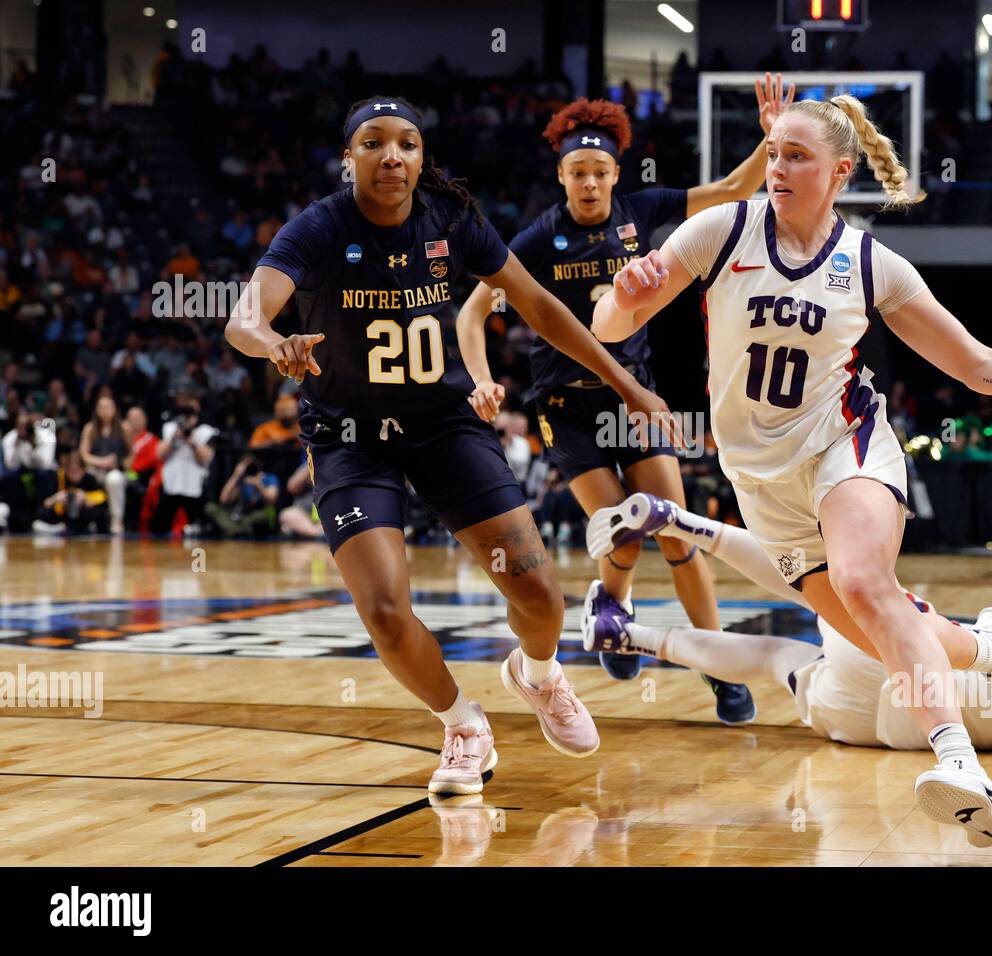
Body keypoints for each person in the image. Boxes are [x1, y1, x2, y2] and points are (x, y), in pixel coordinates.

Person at [590, 93, 992, 845]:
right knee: (886, 632)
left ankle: (961, 764)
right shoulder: (721, 229)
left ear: (840, 171)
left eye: (796, 156)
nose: (777, 167)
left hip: (847, 444)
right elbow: (610, 328)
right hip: (759, 478)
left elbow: (976, 366)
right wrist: (622, 300)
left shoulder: (873, 264)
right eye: (773, 152)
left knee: (864, 582)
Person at [226, 95, 677, 796]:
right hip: (350, 439)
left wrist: (627, 384)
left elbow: (539, 307)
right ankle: (462, 724)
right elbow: (244, 317)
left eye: (407, 142)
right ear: (350, 160)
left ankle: (539, 675)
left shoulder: (452, 219)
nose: (393, 155)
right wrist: (273, 343)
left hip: (443, 425)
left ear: (421, 158)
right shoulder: (316, 228)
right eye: (373, 142)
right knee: (381, 610)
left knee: (538, 593)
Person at [456, 78, 798, 723]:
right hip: (566, 405)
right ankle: (613, 607)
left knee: (674, 531)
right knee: (625, 531)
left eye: (600, 172)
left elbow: (730, 191)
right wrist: (479, 377)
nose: (588, 183)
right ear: (562, 177)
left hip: (635, 400)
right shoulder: (535, 239)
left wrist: (769, 139)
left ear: (616, 175)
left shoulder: (641, 212)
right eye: (576, 172)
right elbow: (472, 314)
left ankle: (717, 666)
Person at [583, 496, 992, 756]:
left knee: (811, 577)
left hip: (908, 666)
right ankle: (624, 634)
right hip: (885, 732)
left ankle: (681, 523)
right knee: (778, 655)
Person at [150, 394, 217, 536]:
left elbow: (205, 459)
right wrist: (174, 438)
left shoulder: (205, 431)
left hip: (195, 486)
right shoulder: (169, 428)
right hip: (171, 484)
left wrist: (193, 442)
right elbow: (159, 455)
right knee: (158, 527)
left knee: (199, 528)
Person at [78, 393, 129, 534]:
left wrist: (117, 463)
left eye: (108, 407)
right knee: (84, 478)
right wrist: (100, 462)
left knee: (114, 479)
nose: (104, 410)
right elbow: (83, 454)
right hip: (94, 469)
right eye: (101, 407)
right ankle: (86, 520)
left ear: (114, 409)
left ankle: (117, 519)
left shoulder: (123, 428)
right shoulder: (90, 428)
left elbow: (131, 454)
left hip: (115, 470)